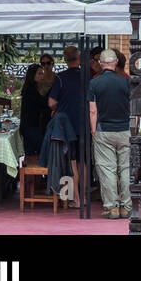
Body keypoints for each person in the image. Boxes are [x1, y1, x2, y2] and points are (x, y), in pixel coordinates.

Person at [88, 49, 132, 219]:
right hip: (124, 130)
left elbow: (93, 110)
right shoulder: (126, 82)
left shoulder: (94, 83)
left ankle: (111, 207)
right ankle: (127, 207)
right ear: (115, 63)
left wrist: (94, 130)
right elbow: (133, 107)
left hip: (103, 130)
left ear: (100, 63)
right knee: (126, 169)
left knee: (107, 169)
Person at [47, 46, 86, 207]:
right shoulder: (87, 76)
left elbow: (51, 102)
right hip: (85, 124)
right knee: (83, 162)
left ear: (64, 59)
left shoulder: (60, 78)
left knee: (71, 162)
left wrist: (56, 108)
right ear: (79, 59)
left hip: (67, 126)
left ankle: (75, 198)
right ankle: (83, 197)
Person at [19, 62, 52, 154]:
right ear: (32, 75)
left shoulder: (32, 87)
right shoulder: (30, 90)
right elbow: (41, 104)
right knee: (44, 150)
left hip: (30, 126)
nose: (42, 76)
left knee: (32, 153)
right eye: (39, 73)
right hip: (30, 127)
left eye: (42, 73)